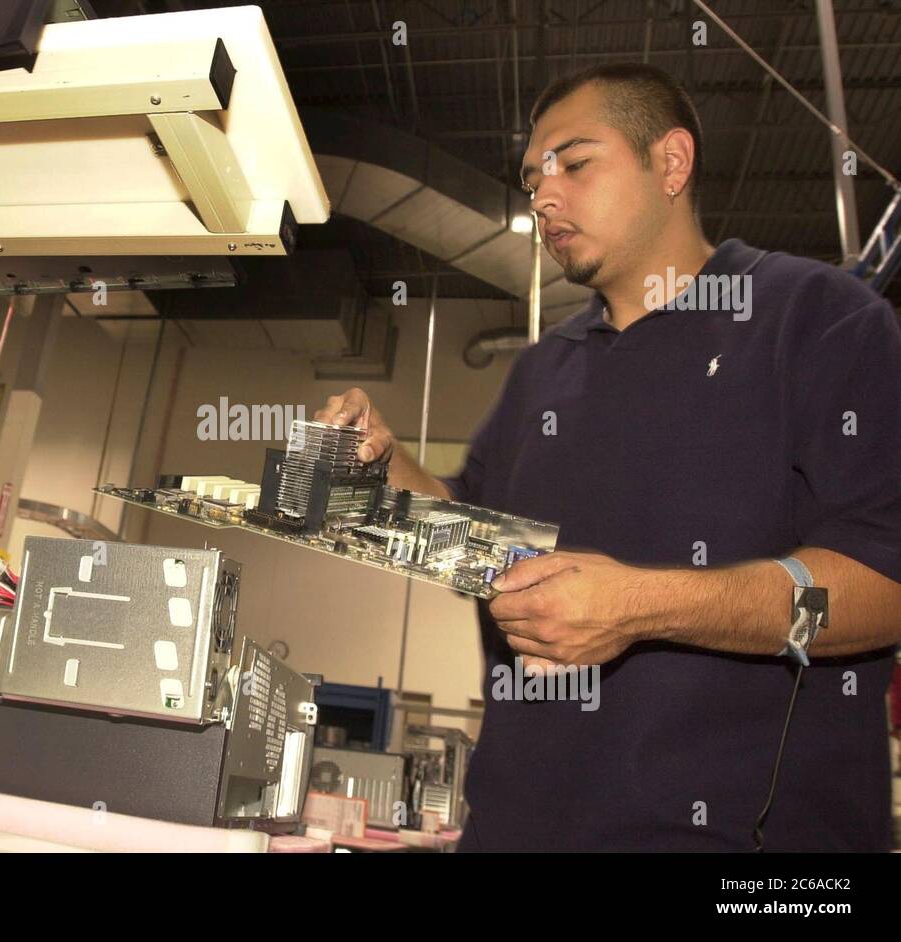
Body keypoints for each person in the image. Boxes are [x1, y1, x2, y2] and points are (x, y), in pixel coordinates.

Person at [314, 63, 901, 851]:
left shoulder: (820, 322)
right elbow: (473, 547)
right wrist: (385, 470)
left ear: (671, 163)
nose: (544, 197)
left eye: (575, 164)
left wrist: (645, 606)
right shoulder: (541, 372)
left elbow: (886, 586)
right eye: (532, 179)